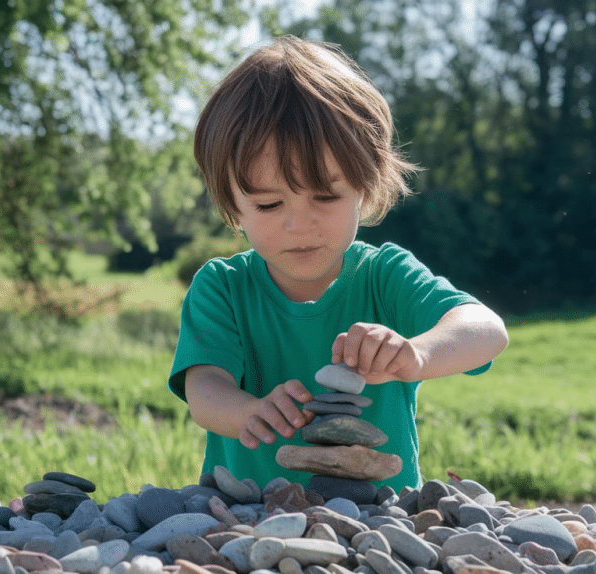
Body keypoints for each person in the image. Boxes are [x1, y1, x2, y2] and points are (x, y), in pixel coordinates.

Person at [169, 35, 510, 491]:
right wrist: (247, 412)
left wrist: (417, 354)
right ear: (232, 204)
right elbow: (204, 390)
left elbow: (486, 330)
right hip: (248, 519)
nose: (299, 224)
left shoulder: (384, 276)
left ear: (366, 187)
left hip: (381, 526)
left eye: (326, 196)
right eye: (269, 205)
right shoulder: (223, 287)